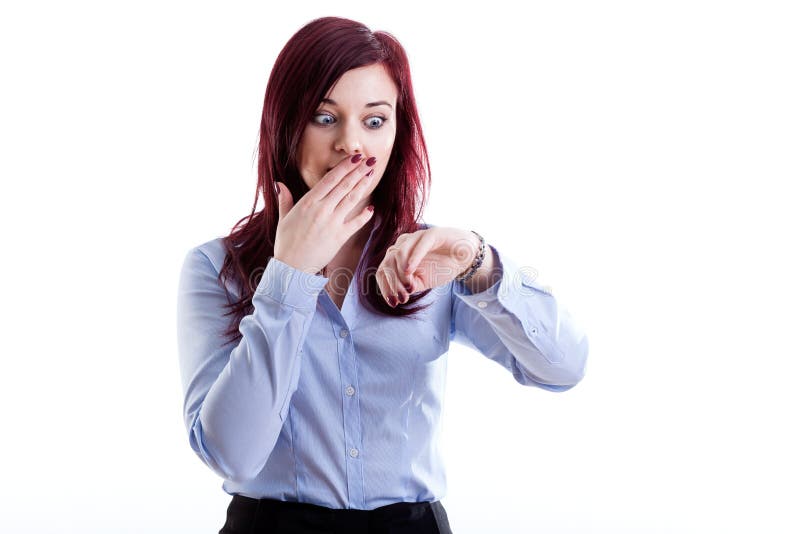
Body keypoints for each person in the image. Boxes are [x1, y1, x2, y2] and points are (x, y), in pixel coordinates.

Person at [177, 16, 588, 534]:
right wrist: (287, 279)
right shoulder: (216, 268)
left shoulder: (431, 254)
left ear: (398, 130)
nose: (352, 145)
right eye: (324, 117)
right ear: (285, 125)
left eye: (375, 120)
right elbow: (231, 455)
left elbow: (564, 367)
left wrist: (479, 263)